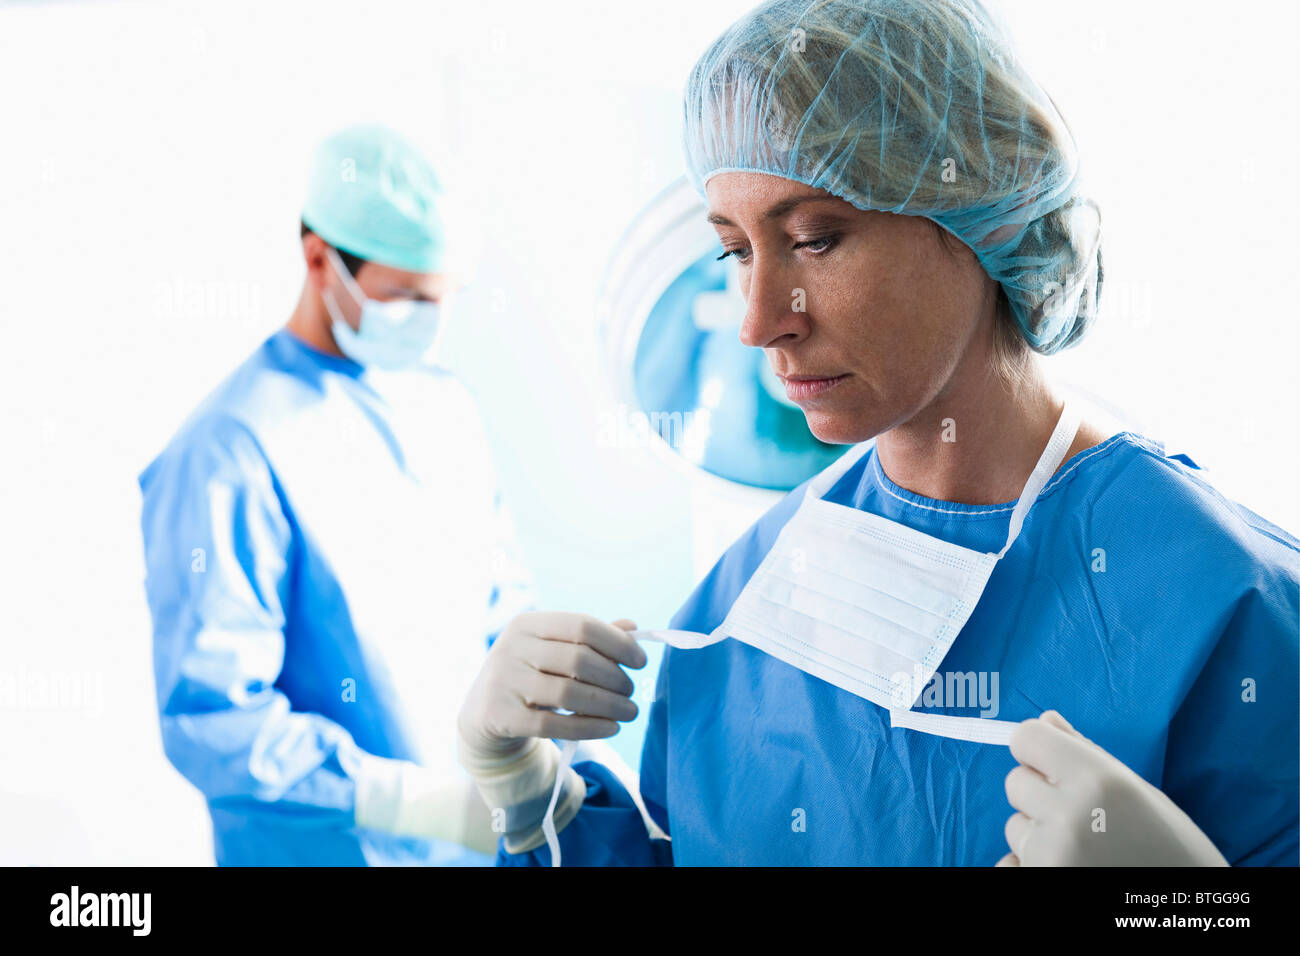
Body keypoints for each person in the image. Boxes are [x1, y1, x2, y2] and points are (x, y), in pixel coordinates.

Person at [455, 0, 1299, 866]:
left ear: (985, 212)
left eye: (815, 239)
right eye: (736, 250)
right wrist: (531, 793)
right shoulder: (742, 604)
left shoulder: (1233, 611)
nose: (756, 323)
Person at [139, 123, 534, 866]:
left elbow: (497, 612)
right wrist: (410, 803)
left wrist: (531, 734)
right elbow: (213, 720)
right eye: (405, 298)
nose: (429, 323)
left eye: (441, 298)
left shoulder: (444, 410)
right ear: (319, 257)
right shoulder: (228, 451)